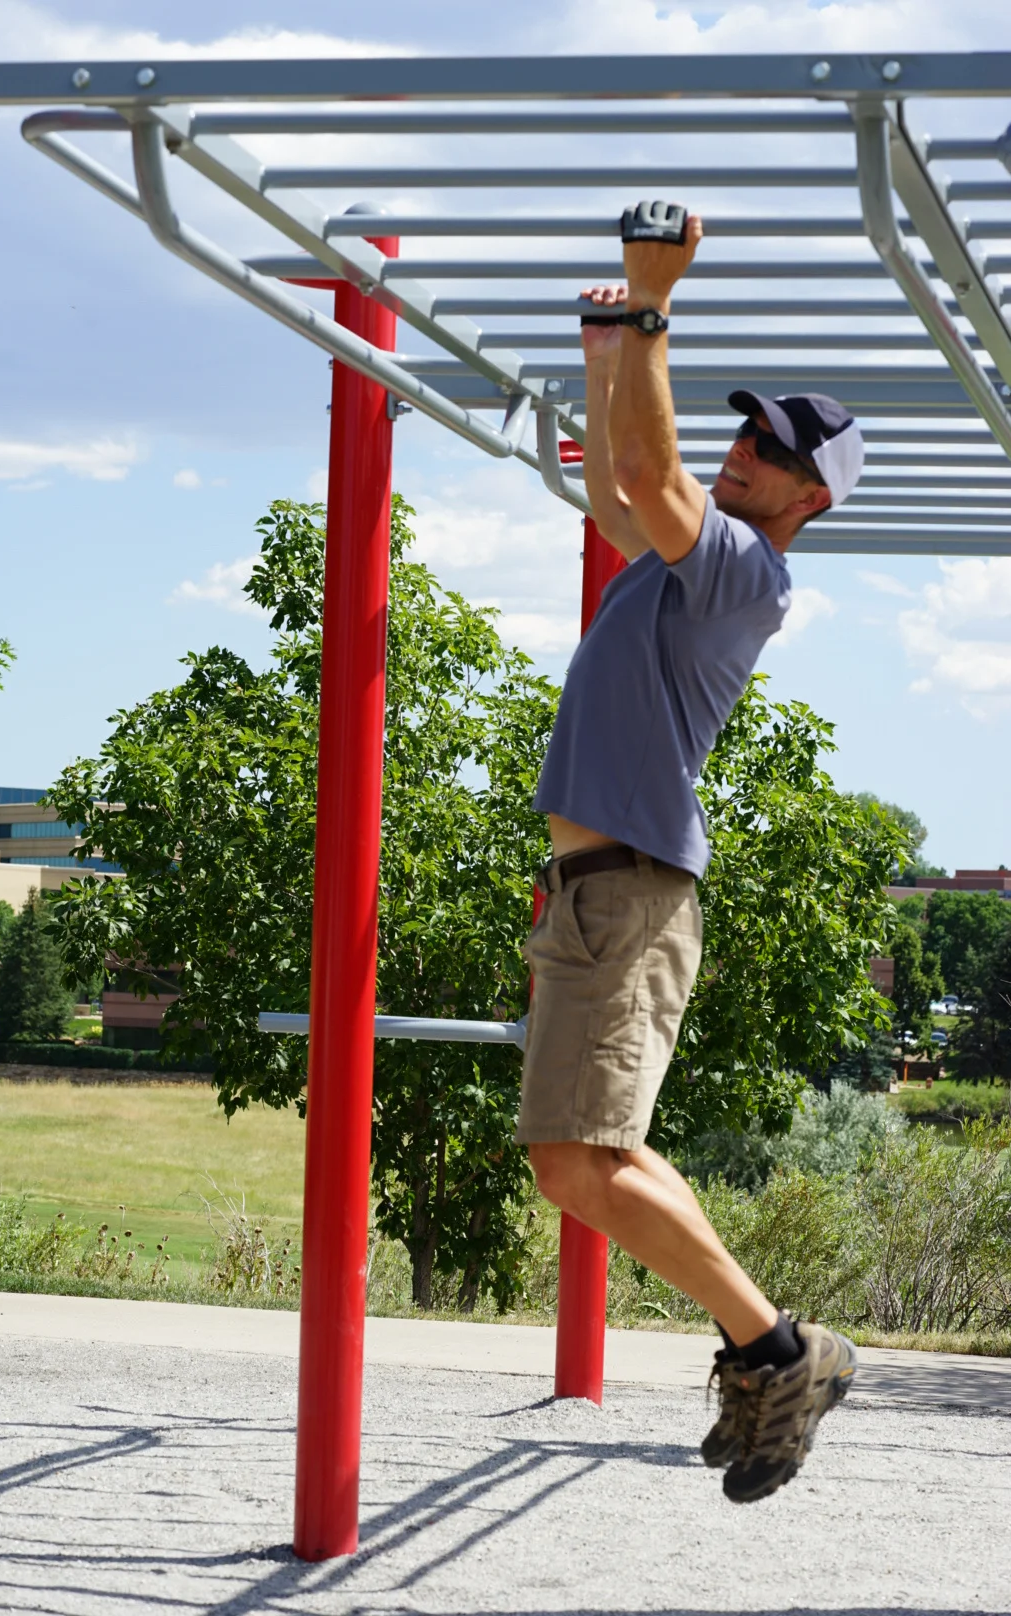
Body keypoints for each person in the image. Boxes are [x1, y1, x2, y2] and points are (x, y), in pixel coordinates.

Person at [516, 208, 866, 1504]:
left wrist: (655, 312)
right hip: (601, 892)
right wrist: (613, 349)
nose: (741, 450)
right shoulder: (675, 567)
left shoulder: (744, 575)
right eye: (742, 428)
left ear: (808, 495)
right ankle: (771, 1348)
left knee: (574, 1162)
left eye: (768, 447)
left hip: (630, 891)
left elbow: (652, 487)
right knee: (591, 1157)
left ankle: (781, 1348)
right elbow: (621, 487)